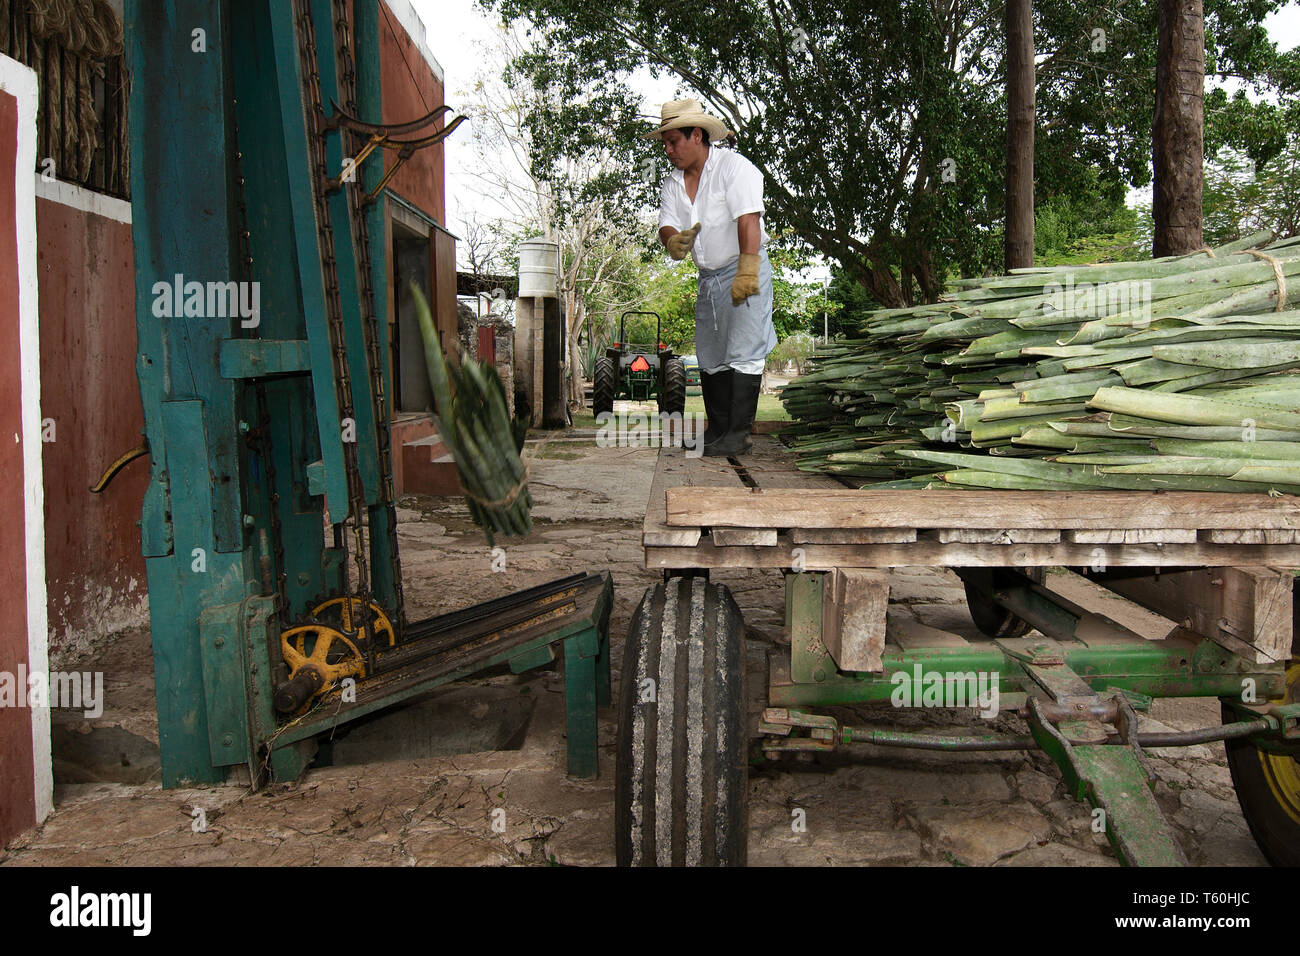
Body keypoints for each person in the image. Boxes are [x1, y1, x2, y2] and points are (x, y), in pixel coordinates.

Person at [645, 99, 776, 457]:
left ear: (697, 135)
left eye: (674, 142)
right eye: (665, 144)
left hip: (743, 263)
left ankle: (738, 435)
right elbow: (666, 223)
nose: (669, 150)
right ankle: (718, 431)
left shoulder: (734, 168)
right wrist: (672, 239)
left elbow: (748, 220)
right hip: (708, 277)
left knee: (745, 350)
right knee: (711, 354)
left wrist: (748, 271)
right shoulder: (673, 183)